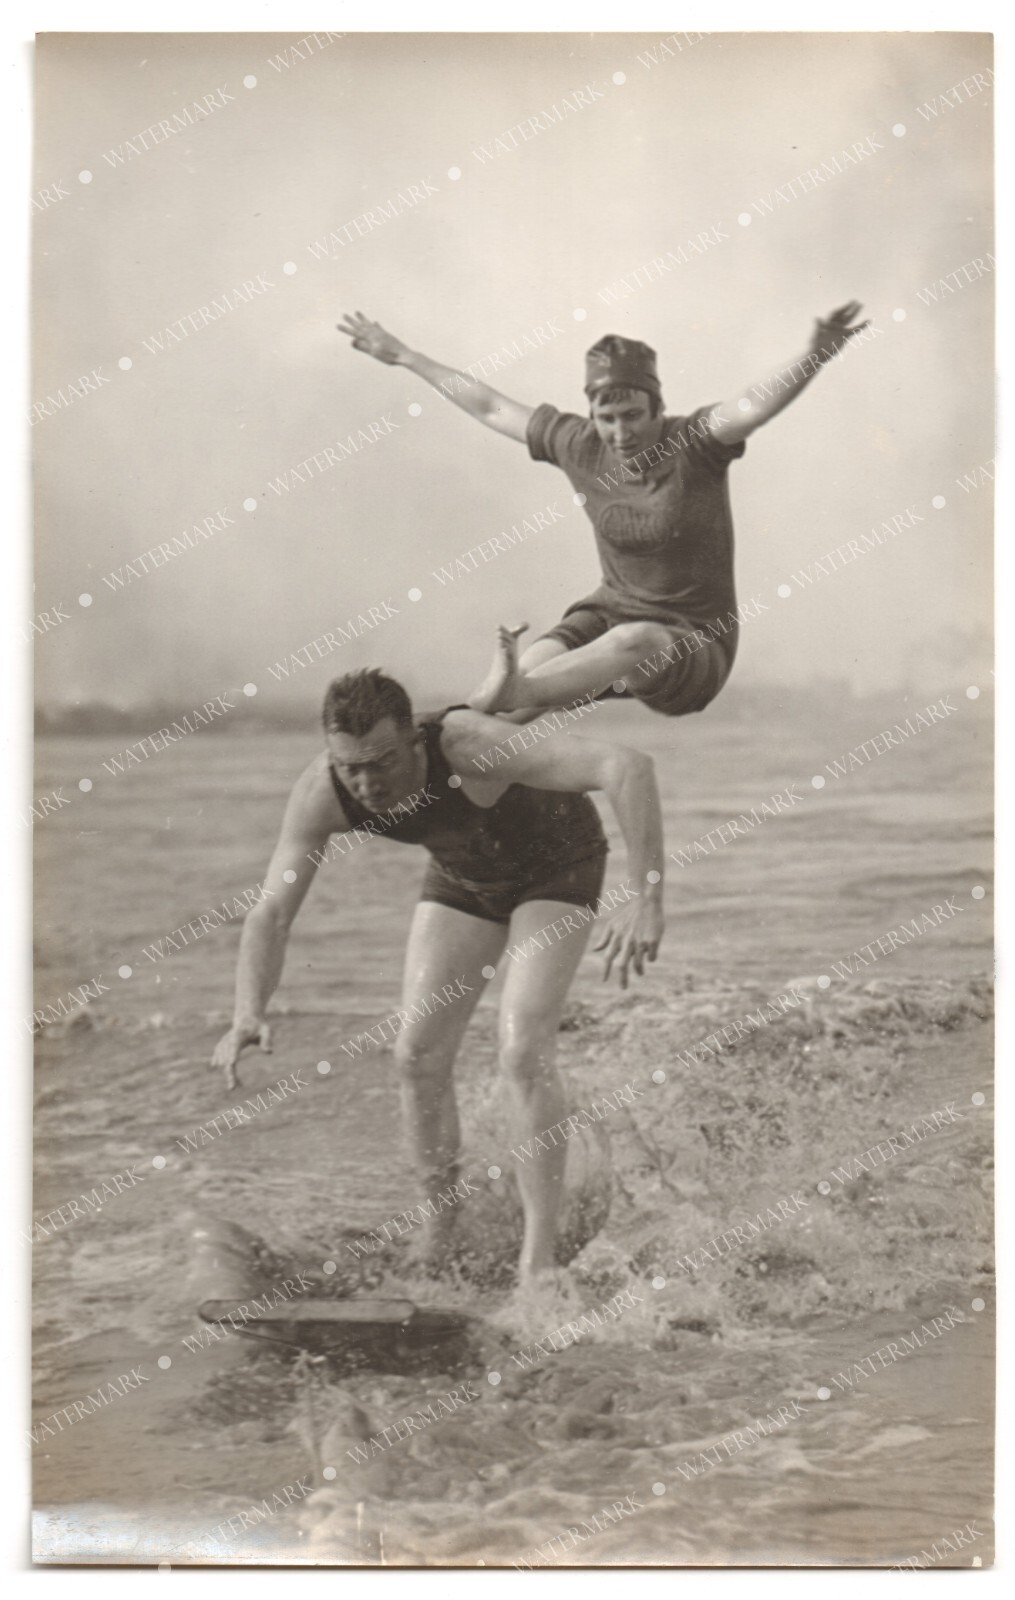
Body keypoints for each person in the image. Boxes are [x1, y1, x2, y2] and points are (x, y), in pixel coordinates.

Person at [211, 669, 664, 1283]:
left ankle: (539, 1263)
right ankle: (438, 1230)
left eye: (382, 763)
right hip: (464, 880)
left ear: (416, 743)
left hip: (557, 867)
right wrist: (248, 1010)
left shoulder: (470, 744)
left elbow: (627, 767)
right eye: (350, 768)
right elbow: (271, 910)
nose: (367, 784)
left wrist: (647, 897)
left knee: (522, 1049)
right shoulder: (323, 792)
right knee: (416, 1057)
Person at [337, 304, 869, 718]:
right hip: (606, 615)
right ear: (591, 412)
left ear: (659, 408)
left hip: (692, 646)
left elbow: (753, 405)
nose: (621, 433)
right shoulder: (577, 443)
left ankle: (516, 696)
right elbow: (490, 405)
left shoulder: (696, 443)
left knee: (622, 646)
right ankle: (460, 725)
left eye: (634, 415)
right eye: (607, 417)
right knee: (498, 706)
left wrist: (814, 355)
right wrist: (404, 356)